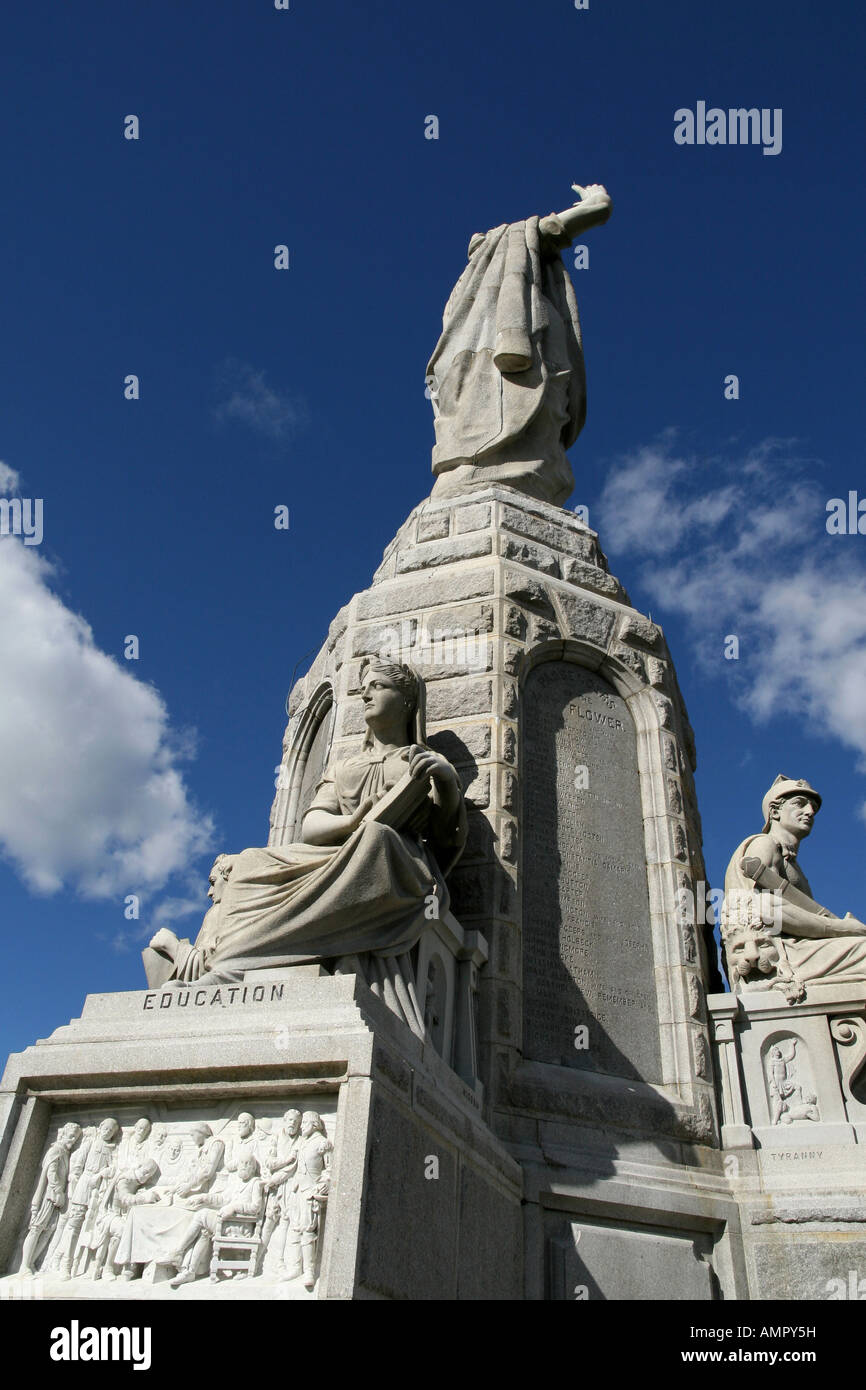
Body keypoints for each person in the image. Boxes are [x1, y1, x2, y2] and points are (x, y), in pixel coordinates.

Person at [156, 661, 466, 986]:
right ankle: (232, 963)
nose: (366, 696)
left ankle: (233, 964)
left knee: (375, 838)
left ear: (406, 700)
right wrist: (354, 820)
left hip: (399, 864)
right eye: (364, 689)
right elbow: (313, 826)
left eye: (378, 687)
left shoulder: (421, 762)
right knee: (249, 861)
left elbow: (447, 843)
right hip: (340, 851)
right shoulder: (345, 766)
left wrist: (446, 784)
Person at [426, 183, 612, 506]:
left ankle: (503, 471)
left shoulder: (467, 299)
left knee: (537, 402)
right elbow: (588, 216)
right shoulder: (472, 305)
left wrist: (598, 205)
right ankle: (487, 469)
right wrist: (597, 200)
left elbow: (581, 219)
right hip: (510, 371)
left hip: (530, 363)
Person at [722, 775, 866, 996]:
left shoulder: (792, 864)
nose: (810, 811)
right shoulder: (764, 844)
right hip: (775, 955)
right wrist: (843, 929)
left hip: (795, 948)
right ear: (775, 811)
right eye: (799, 803)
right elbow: (767, 910)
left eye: (813, 807)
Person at [169, 1155, 265, 1288]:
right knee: (204, 1231)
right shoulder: (237, 1183)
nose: (242, 1166)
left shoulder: (256, 1183)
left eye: (246, 1163)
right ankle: (189, 1271)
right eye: (241, 1162)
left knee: (201, 1215)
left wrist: (234, 1207)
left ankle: (178, 1252)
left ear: (253, 1167)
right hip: (228, 1222)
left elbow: (256, 1207)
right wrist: (203, 1197)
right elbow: (222, 1199)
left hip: (239, 1226)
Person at [19, 1122, 82, 1275]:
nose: (72, 1140)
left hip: (56, 1198)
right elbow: (51, 1172)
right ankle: (23, 1266)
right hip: (48, 1195)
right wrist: (58, 1190)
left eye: (75, 1138)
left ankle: (31, 1262)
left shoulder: (65, 1152)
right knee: (36, 1228)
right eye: (71, 1136)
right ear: (63, 1134)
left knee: (48, 1229)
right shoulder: (56, 1150)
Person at [283, 1112, 332, 1290]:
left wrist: (325, 1183)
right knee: (295, 1229)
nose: (301, 1126)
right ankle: (295, 1267)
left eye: (304, 1123)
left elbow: (329, 1169)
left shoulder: (323, 1143)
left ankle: (309, 1271)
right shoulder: (302, 1143)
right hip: (298, 1190)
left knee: (309, 1231)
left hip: (311, 1191)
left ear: (313, 1124)